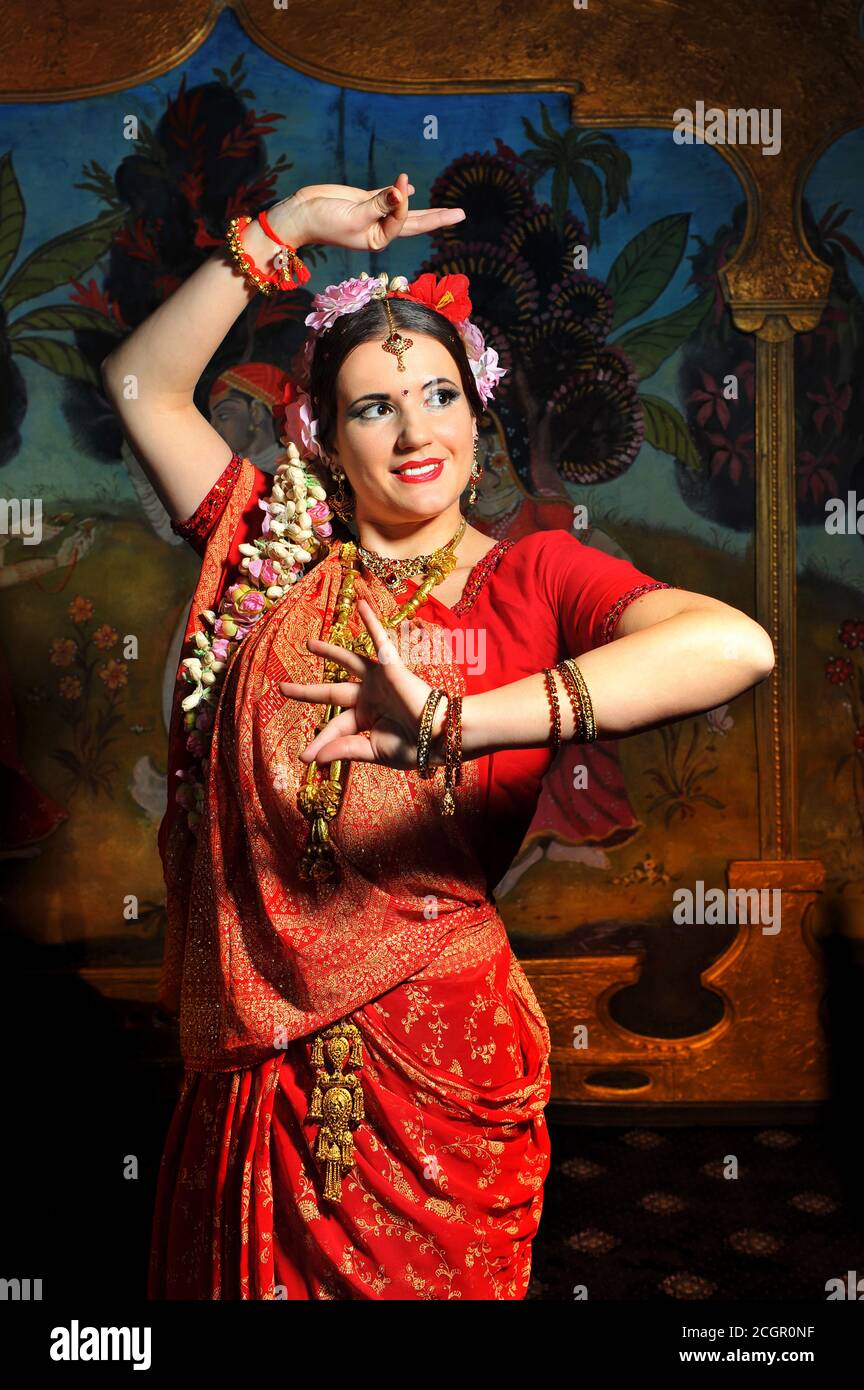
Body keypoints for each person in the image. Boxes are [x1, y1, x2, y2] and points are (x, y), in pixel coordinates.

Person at [101, 174, 775, 1300]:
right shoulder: (271, 542)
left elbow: (734, 645)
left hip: (440, 1059)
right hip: (260, 1058)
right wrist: (290, 230)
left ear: (480, 409)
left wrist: (459, 725)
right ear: (320, 428)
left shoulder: (535, 574)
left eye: (440, 395)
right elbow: (140, 383)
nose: (417, 431)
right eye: (375, 405)